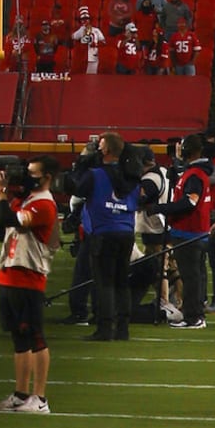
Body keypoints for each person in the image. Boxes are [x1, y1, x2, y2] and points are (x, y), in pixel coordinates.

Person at [0, 155, 57, 413]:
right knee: (19, 338)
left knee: (35, 336)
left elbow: (10, 219)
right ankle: (20, 394)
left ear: (47, 177)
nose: (28, 177)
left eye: (34, 173)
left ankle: (40, 399)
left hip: (29, 277)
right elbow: (3, 230)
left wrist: (2, 193)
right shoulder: (25, 200)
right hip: (10, 273)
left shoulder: (44, 204)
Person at [68, 133, 137, 341]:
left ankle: (105, 327)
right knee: (121, 282)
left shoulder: (95, 174)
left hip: (103, 231)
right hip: (126, 231)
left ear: (106, 150)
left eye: (100, 146)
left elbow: (76, 189)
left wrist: (81, 164)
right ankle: (123, 328)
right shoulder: (132, 177)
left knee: (104, 282)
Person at [159, 135, 213, 330]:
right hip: (195, 232)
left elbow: (190, 203)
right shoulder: (195, 172)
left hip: (190, 233)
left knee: (191, 278)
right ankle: (195, 314)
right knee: (194, 277)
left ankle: (194, 316)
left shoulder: (195, 175)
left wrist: (161, 208)